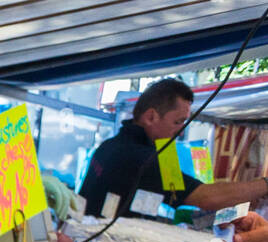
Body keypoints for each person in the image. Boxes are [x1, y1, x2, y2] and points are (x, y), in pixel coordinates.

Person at [81, 78, 268, 220]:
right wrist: (264, 184)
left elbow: (178, 199)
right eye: (178, 122)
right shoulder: (140, 158)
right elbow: (206, 197)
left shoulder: (110, 145)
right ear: (151, 117)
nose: (180, 132)